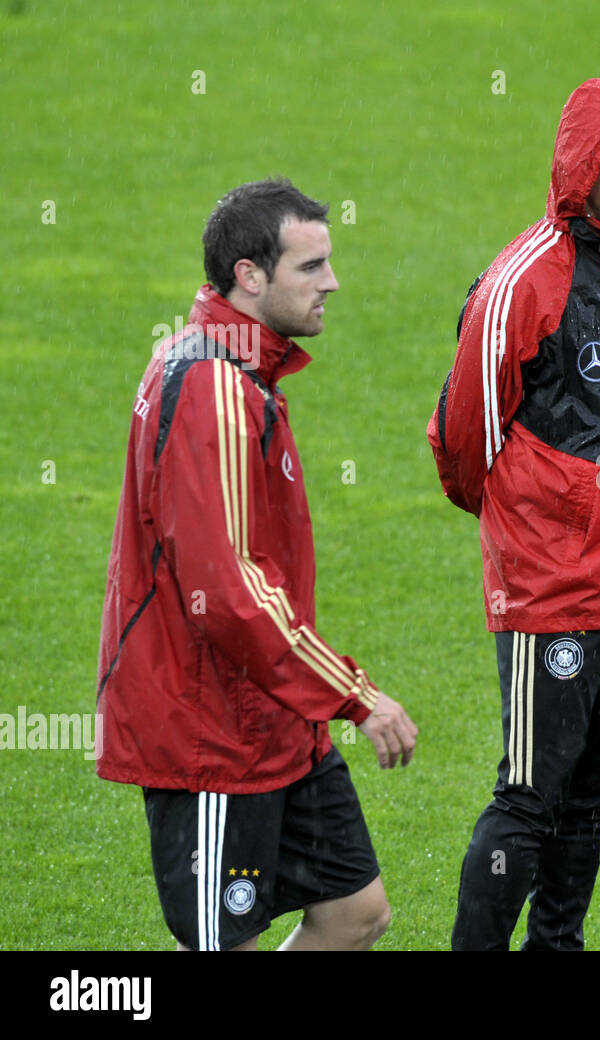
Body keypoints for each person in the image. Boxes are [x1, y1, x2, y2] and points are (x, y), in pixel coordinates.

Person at [96, 179, 419, 952]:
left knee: (356, 913)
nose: (332, 283)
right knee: (222, 945)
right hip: (210, 731)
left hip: (271, 718)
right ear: (249, 276)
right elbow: (229, 590)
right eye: (310, 268)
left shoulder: (232, 368)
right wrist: (355, 695)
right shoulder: (212, 388)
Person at [428, 77, 600, 951]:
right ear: (585, 168)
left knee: (593, 797)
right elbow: (463, 440)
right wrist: (542, 525)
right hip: (557, 584)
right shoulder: (521, 281)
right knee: (532, 794)